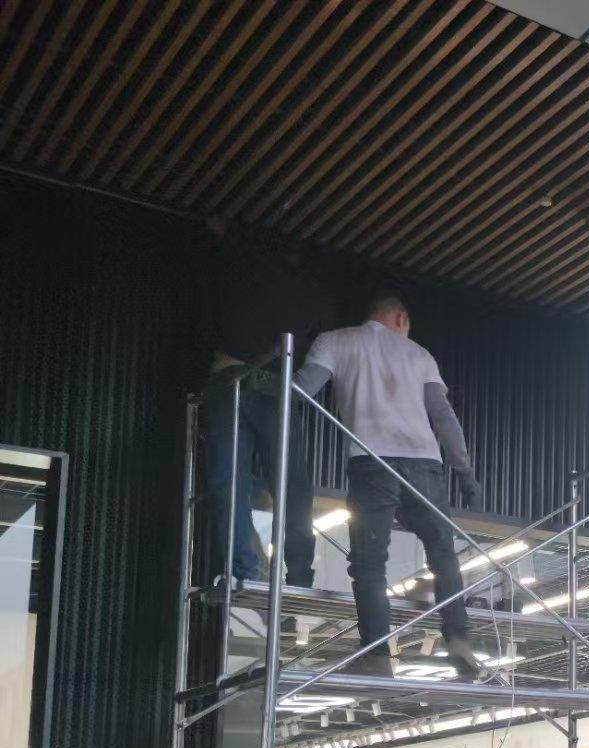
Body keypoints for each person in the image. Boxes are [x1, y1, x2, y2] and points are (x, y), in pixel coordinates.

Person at [293, 294, 483, 679]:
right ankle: (459, 639)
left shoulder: (336, 341)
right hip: (425, 464)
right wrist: (464, 471)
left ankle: (377, 656)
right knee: (442, 553)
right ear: (400, 319)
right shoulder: (420, 355)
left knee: (369, 562)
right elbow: (443, 416)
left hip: (371, 462)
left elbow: (301, 389)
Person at [201, 217, 336, 588]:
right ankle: (297, 573)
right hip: (275, 381)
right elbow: (322, 326)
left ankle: (242, 569)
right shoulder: (306, 285)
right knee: (290, 484)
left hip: (231, 373)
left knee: (230, 478)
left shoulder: (237, 263)